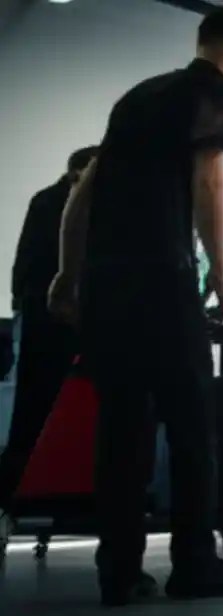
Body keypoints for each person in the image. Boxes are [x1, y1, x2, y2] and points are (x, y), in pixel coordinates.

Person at [48, 6, 223, 606]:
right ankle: (195, 565)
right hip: (162, 280)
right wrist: (222, 274)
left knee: (122, 431)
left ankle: (118, 572)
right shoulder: (217, 90)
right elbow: (209, 178)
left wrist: (69, 272)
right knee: (195, 426)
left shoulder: (137, 97)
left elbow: (83, 196)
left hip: (107, 286)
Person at [0, 146, 97, 543]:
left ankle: (14, 506)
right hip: (52, 322)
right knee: (36, 416)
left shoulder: (47, 200)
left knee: (32, 416)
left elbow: (22, 275)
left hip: (42, 319)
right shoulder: (59, 203)